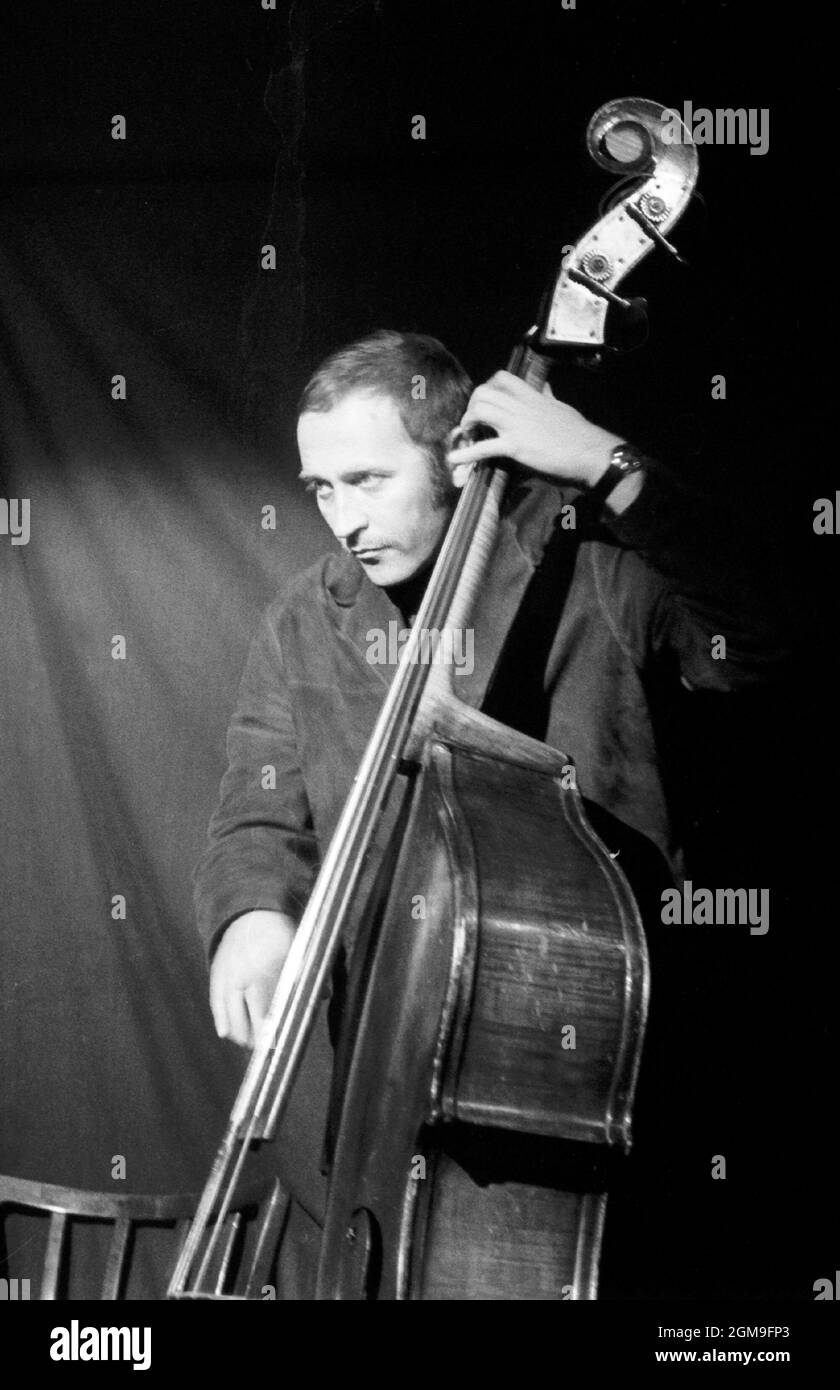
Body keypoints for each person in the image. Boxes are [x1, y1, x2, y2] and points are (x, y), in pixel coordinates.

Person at [193, 329, 780, 1298]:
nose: (343, 519)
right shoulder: (308, 614)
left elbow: (769, 641)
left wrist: (609, 465)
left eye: (368, 480)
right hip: (361, 1124)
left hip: (567, 1102)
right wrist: (251, 917)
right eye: (321, 489)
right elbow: (257, 814)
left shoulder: (593, 564)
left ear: (457, 455)